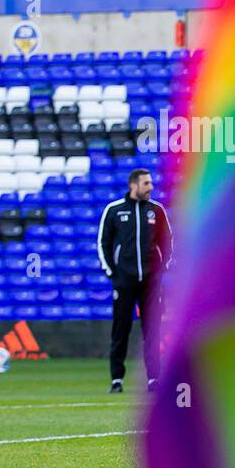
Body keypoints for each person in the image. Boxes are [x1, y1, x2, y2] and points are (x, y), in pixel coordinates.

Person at [96, 168, 173, 394]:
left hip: (151, 283)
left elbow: (168, 243)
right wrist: (114, 275)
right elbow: (103, 244)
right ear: (134, 185)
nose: (151, 187)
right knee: (121, 330)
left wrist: (159, 272)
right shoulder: (114, 210)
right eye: (146, 183)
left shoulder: (156, 211)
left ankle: (153, 379)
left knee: (152, 331)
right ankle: (117, 379)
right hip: (124, 282)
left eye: (151, 183)